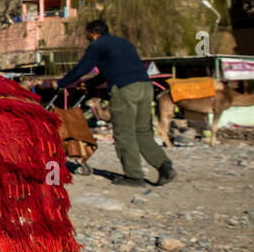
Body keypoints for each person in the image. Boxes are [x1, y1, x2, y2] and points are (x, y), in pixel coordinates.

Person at [55, 20, 175, 187]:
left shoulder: (97, 45)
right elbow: (109, 71)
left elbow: (81, 69)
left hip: (125, 90)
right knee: (143, 131)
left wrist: (61, 83)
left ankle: (134, 176)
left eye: (87, 36)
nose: (87, 39)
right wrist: (89, 85)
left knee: (124, 133)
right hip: (145, 86)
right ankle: (165, 166)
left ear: (93, 34)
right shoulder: (124, 43)